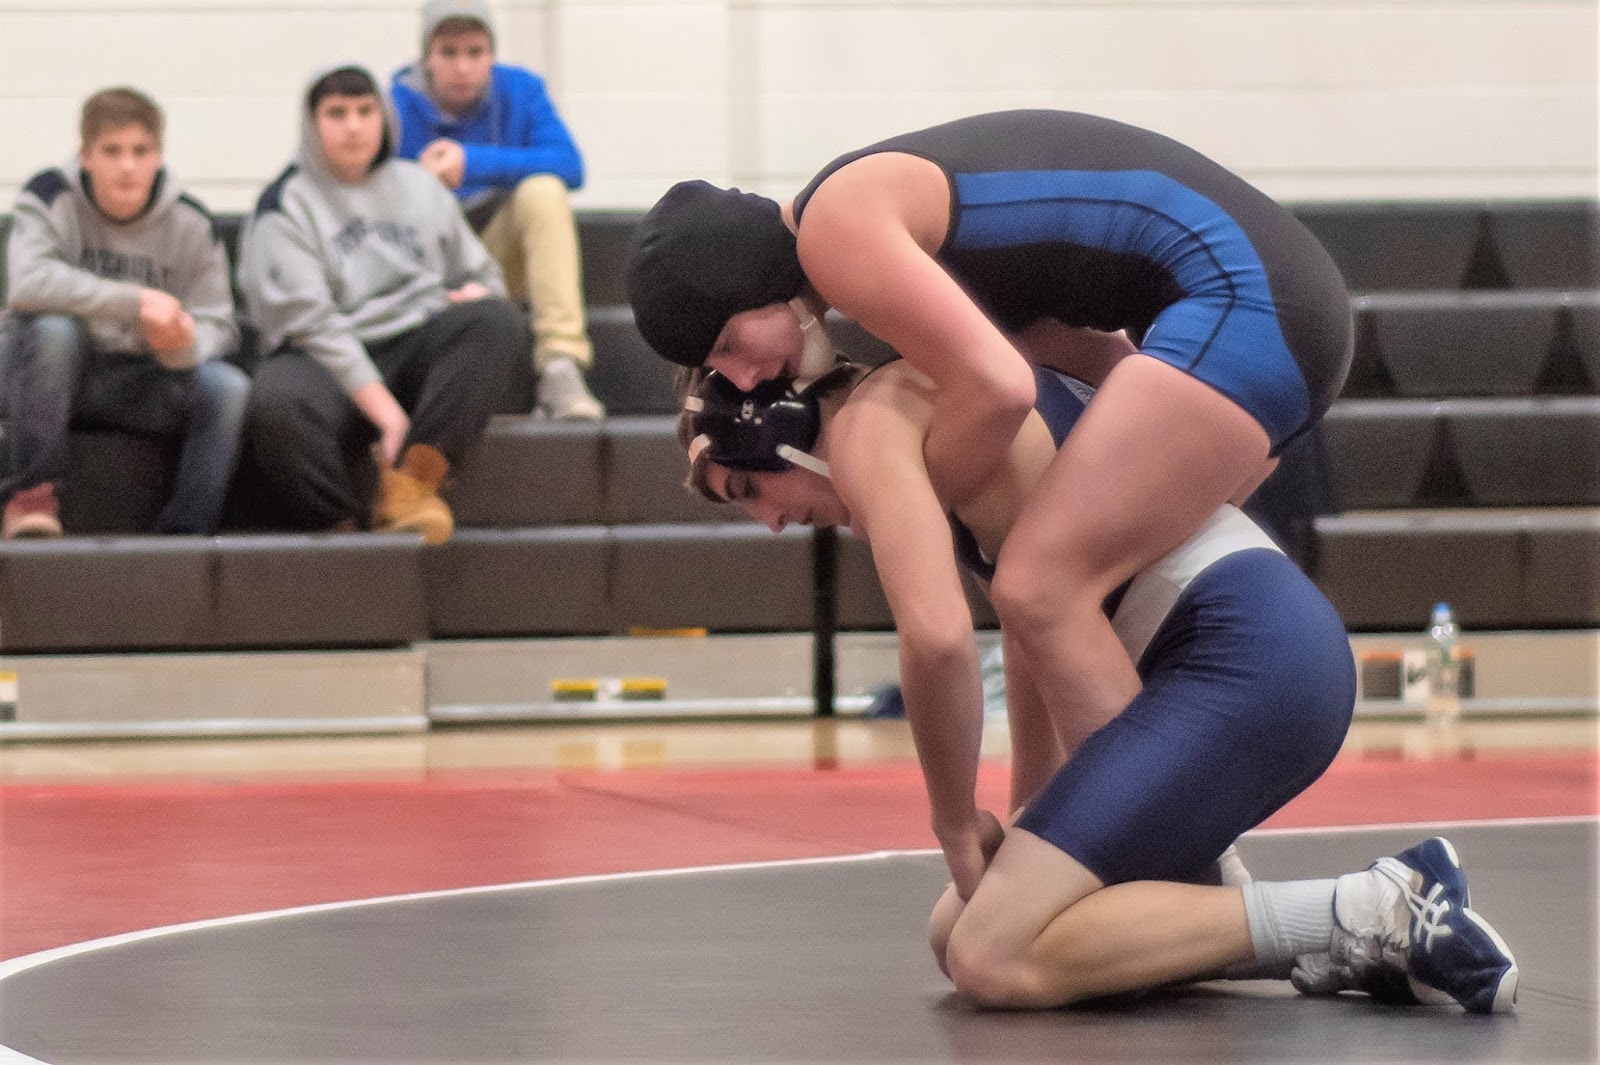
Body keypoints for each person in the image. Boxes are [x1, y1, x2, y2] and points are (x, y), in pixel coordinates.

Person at [674, 357, 1518, 1015]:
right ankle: (1287, 923)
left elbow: (936, 646)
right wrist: (1045, 814)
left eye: (751, 488)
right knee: (959, 929)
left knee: (992, 953)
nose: (770, 520)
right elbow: (1031, 632)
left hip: (1245, 654)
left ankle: (1379, 908)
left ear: (786, 426)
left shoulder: (880, 423)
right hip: (1236, 658)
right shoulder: (937, 419)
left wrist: (955, 822)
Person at [629, 111, 1355, 876]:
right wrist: (1031, 813)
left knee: (1043, 584)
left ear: (745, 278)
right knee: (1043, 581)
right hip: (1253, 304)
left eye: (724, 348)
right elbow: (1070, 350)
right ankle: (1164, 873)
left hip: (1246, 299)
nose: (744, 378)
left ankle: (1180, 886)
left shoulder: (835, 233)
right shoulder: (877, 256)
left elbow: (1003, 388)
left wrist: (899, 498)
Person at [236, 64, 530, 544]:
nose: (353, 126)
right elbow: (311, 324)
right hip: (327, 355)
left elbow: (483, 275)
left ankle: (412, 486)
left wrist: (478, 291)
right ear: (312, 125)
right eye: (336, 113)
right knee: (274, 401)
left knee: (496, 320)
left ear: (384, 118)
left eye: (364, 111)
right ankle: (345, 533)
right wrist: (389, 415)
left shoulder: (421, 185)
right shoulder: (283, 204)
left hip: (415, 336)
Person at [0, 87, 248, 538]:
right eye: (111, 151)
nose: (128, 166)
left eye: (141, 151)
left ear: (159, 156)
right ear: (85, 156)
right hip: (48, 372)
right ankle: (32, 497)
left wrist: (184, 343)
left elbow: (221, 322)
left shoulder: (191, 221)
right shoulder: (49, 194)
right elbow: (27, 283)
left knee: (228, 387)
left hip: (142, 376)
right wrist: (135, 302)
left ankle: (185, 537)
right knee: (56, 331)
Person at [390, 0, 605, 421]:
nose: (463, 67)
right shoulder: (392, 105)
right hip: (423, 271)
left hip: (497, 259)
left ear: (492, 54)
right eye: (449, 53)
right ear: (426, 57)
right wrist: (417, 181)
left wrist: (471, 162)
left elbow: (570, 165)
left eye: (475, 52)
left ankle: (560, 363)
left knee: (543, 190)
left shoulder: (522, 90)